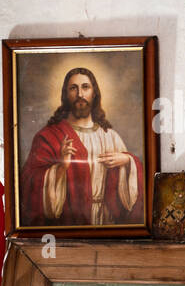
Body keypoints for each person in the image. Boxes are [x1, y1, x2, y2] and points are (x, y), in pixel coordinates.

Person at [19, 66, 143, 227]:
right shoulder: (49, 136)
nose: (80, 94)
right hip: (71, 223)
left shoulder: (110, 136)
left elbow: (136, 189)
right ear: (66, 94)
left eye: (85, 87)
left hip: (107, 222)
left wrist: (127, 160)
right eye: (73, 88)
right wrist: (60, 168)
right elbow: (28, 184)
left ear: (94, 92)